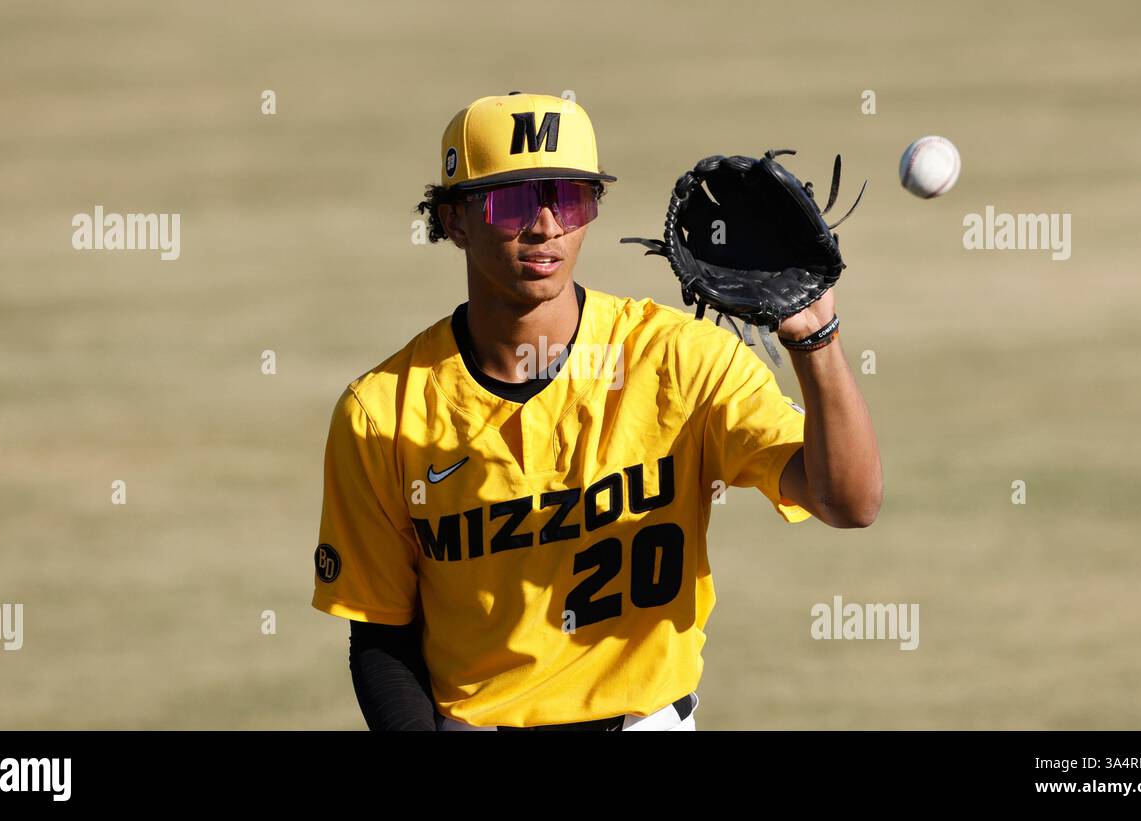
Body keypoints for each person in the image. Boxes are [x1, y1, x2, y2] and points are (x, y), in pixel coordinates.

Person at [311, 92, 882, 731]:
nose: (548, 225)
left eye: (572, 198)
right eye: (514, 200)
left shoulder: (679, 360)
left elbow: (848, 503)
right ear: (453, 220)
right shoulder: (384, 411)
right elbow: (380, 632)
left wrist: (814, 336)